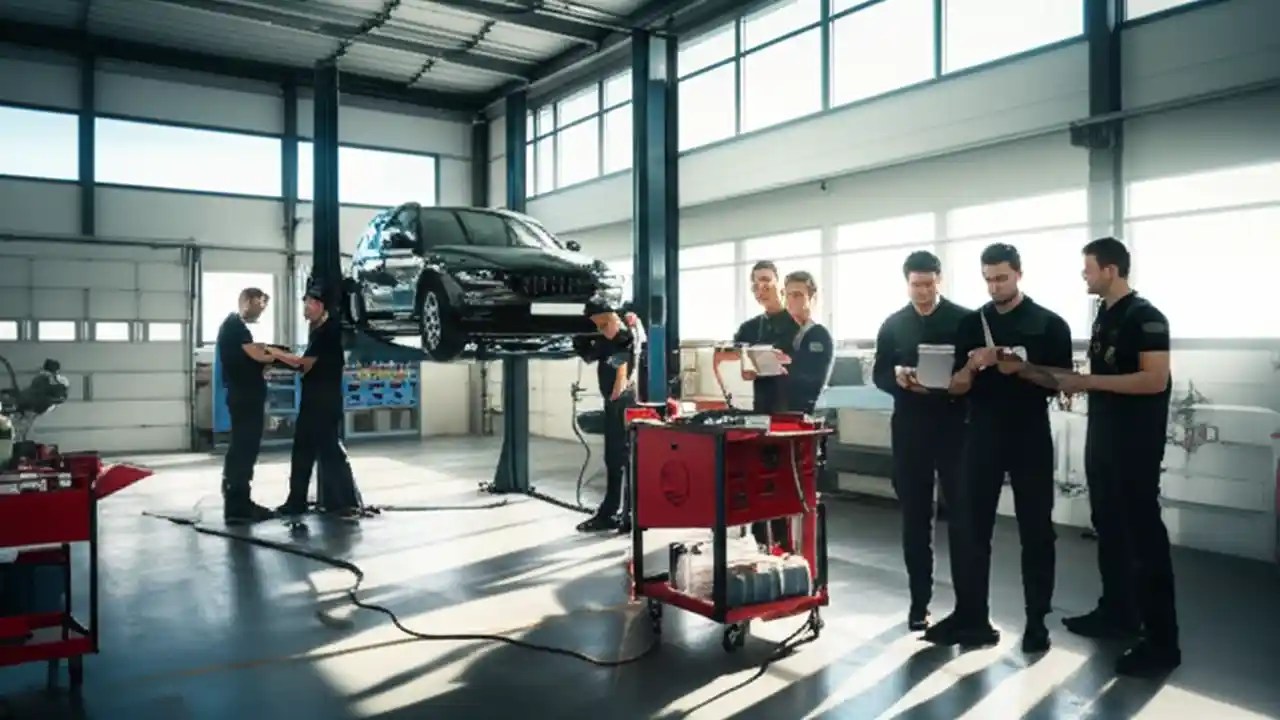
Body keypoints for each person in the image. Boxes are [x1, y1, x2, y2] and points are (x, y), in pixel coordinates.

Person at [1003, 237, 1180, 677]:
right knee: (1110, 529)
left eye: (1088, 269)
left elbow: (1154, 381)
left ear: (1111, 270)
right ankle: (1117, 612)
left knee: (1144, 542)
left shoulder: (1147, 317)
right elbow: (1089, 377)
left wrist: (1090, 384)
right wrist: (1025, 369)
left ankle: (1162, 643)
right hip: (1104, 442)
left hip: (1135, 446)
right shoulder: (1105, 316)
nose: (1083, 275)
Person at [926, 243, 1073, 654]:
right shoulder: (972, 324)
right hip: (982, 433)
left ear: (1019, 274)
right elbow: (954, 386)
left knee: (1036, 530)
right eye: (988, 279)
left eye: (1002, 278)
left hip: (1029, 434)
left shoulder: (1049, 324)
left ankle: (1036, 621)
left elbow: (1064, 383)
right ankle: (972, 616)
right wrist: (974, 365)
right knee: (971, 527)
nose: (994, 286)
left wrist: (1021, 367)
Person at [872, 250, 973, 631]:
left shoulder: (964, 320)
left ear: (940, 280)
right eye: (916, 285)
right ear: (907, 283)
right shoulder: (894, 324)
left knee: (963, 518)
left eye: (929, 284)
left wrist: (962, 377)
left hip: (955, 428)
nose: (923, 291)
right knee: (915, 519)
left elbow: (976, 370)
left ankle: (969, 606)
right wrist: (896, 378)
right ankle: (919, 604)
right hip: (911, 430)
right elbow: (879, 374)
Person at [269, 284, 362, 519]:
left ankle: (345, 502)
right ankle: (296, 501)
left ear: (319, 305)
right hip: (312, 402)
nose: (305, 310)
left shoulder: (329, 332)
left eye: (308, 305)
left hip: (324, 405)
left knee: (329, 452)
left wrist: (276, 354)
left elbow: (304, 364)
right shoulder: (317, 330)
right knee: (302, 452)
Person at [572, 299, 642, 533]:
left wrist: (619, 385)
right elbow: (592, 355)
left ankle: (621, 513)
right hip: (615, 402)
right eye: (599, 325)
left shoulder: (626, 334)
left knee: (619, 457)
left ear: (615, 316)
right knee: (616, 459)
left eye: (605, 322)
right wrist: (582, 339)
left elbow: (622, 361)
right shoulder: (608, 339)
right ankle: (619, 512)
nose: (604, 328)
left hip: (622, 401)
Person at [215, 287, 278, 524]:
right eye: (261, 303)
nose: (262, 309)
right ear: (249, 300)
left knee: (244, 446)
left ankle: (239, 500)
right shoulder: (234, 326)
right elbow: (257, 354)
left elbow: (249, 361)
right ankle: (238, 504)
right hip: (244, 398)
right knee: (244, 447)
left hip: (246, 396)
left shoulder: (236, 327)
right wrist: (282, 356)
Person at [729, 260, 801, 413]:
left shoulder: (800, 325)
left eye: (766, 282)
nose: (761, 289)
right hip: (754, 407)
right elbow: (732, 365)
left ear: (781, 285)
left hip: (790, 408)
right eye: (755, 286)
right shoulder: (747, 329)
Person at [778, 270, 834, 414]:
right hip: (776, 410)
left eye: (797, 295)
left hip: (804, 413)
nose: (790, 300)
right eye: (787, 295)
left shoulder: (819, 336)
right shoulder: (779, 334)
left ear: (812, 298)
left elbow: (811, 382)